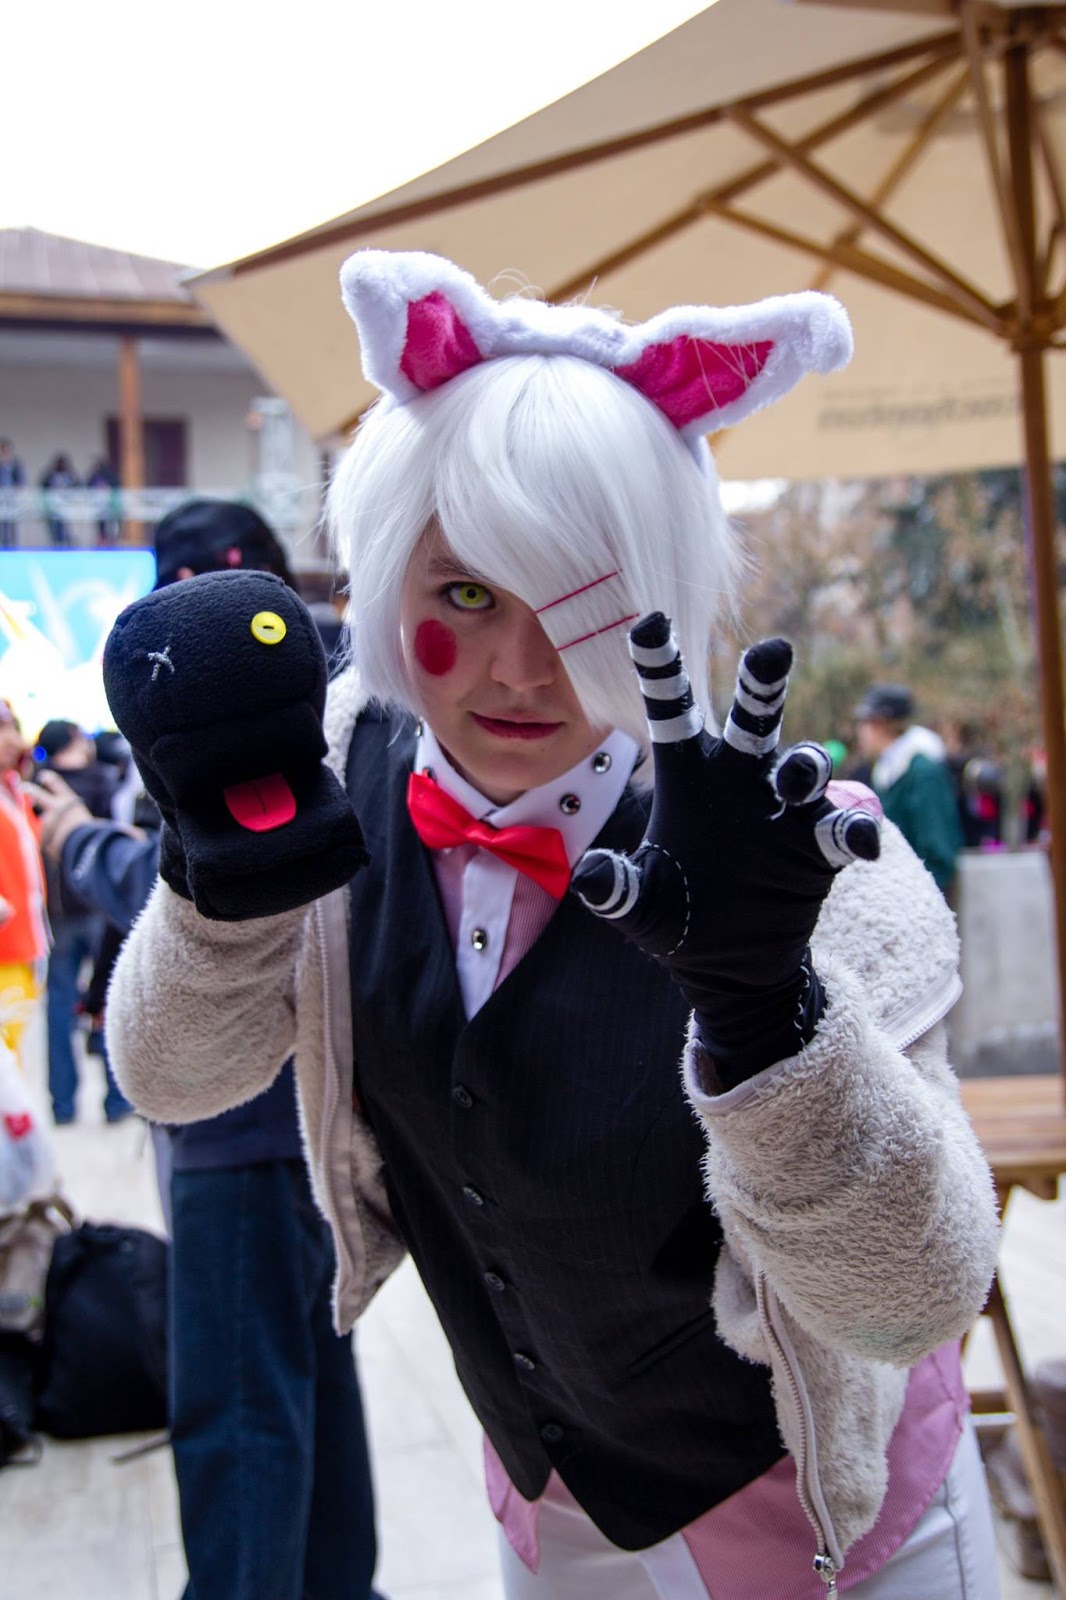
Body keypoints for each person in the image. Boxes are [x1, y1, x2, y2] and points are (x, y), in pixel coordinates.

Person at [106, 252, 1001, 1600]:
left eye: (585, 602)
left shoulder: (826, 864)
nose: (525, 669)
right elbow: (173, 1076)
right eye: (466, 593)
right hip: (555, 1498)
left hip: (836, 1520)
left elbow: (911, 1295)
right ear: (389, 578)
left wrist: (773, 1020)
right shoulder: (334, 768)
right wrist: (213, 891)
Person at [30, 497, 384, 1600]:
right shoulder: (332, 701)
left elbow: (230, 892)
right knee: (312, 1391)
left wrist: (75, 838)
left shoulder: (261, 703)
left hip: (238, 1128)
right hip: (308, 1115)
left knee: (239, 1414)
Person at [33, 718, 127, 1124]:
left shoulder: (39, 787)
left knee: (58, 1008)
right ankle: (118, 1099)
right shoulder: (105, 780)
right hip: (101, 906)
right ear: (74, 741)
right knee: (110, 999)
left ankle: (63, 1105)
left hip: (57, 915)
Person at [853, 683, 964, 896]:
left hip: (919, 903)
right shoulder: (887, 771)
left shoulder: (923, 772)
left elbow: (938, 853)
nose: (861, 733)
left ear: (879, 724)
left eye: (864, 723)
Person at [0, 702, 47, 1070]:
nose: (13, 740)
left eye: (13, 728)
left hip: (27, 942)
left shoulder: (16, 790)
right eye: (2, 730)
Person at [39, 454, 79, 545]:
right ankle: (56, 544)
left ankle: (67, 543)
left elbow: (77, 486)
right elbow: (43, 487)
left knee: (66, 528)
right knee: (54, 528)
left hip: (67, 507)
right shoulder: (50, 475)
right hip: (53, 507)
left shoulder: (70, 476)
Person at [0, 438, 25, 549]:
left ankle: (12, 546)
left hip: (11, 499)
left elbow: (21, 481)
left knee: (11, 523)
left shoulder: (15, 464)